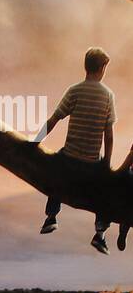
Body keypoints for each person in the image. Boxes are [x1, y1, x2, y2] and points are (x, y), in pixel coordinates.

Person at [37, 47, 115, 253]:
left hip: (69, 159)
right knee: (106, 190)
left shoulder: (74, 91)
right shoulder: (108, 96)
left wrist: (35, 140)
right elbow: (109, 134)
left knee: (55, 168)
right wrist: (106, 163)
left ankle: (51, 217)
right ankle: (100, 234)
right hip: (91, 163)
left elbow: (54, 120)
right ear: (102, 68)